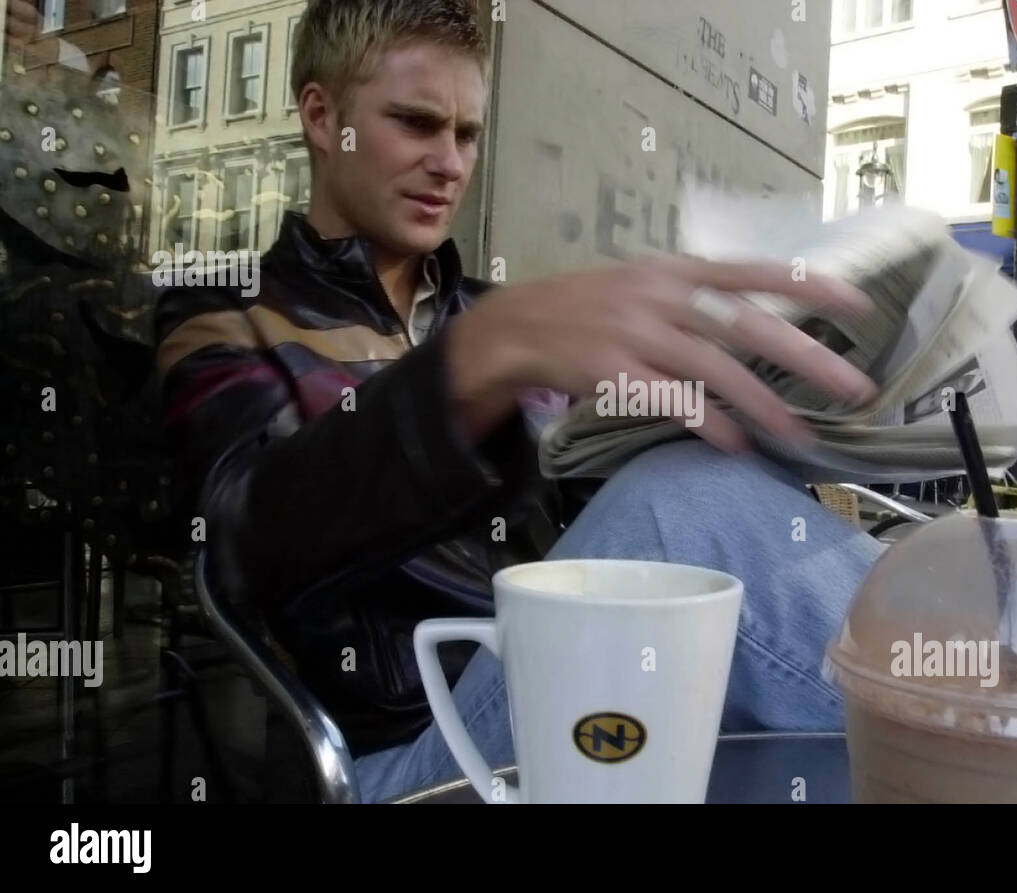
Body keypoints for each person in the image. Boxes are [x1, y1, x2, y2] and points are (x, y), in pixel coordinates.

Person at [154, 0, 891, 803]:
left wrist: (722, 409)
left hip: (574, 695)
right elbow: (234, 540)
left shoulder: (490, 312)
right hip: (407, 751)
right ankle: (990, 716)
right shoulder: (222, 310)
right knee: (680, 508)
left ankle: (976, 702)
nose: (450, 162)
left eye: (467, 134)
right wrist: (470, 368)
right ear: (323, 118)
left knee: (688, 483)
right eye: (416, 122)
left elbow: (597, 508)